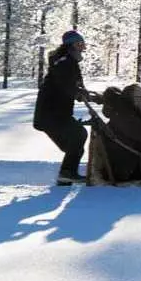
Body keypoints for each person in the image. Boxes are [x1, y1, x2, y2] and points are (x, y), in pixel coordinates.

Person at [33, 30, 102, 185]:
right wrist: (83, 95)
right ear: (72, 45)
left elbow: (76, 87)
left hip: (54, 114)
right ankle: (67, 173)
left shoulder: (68, 62)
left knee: (74, 145)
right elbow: (67, 86)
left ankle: (65, 179)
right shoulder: (65, 62)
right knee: (78, 136)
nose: (83, 47)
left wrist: (95, 97)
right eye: (80, 44)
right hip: (52, 114)